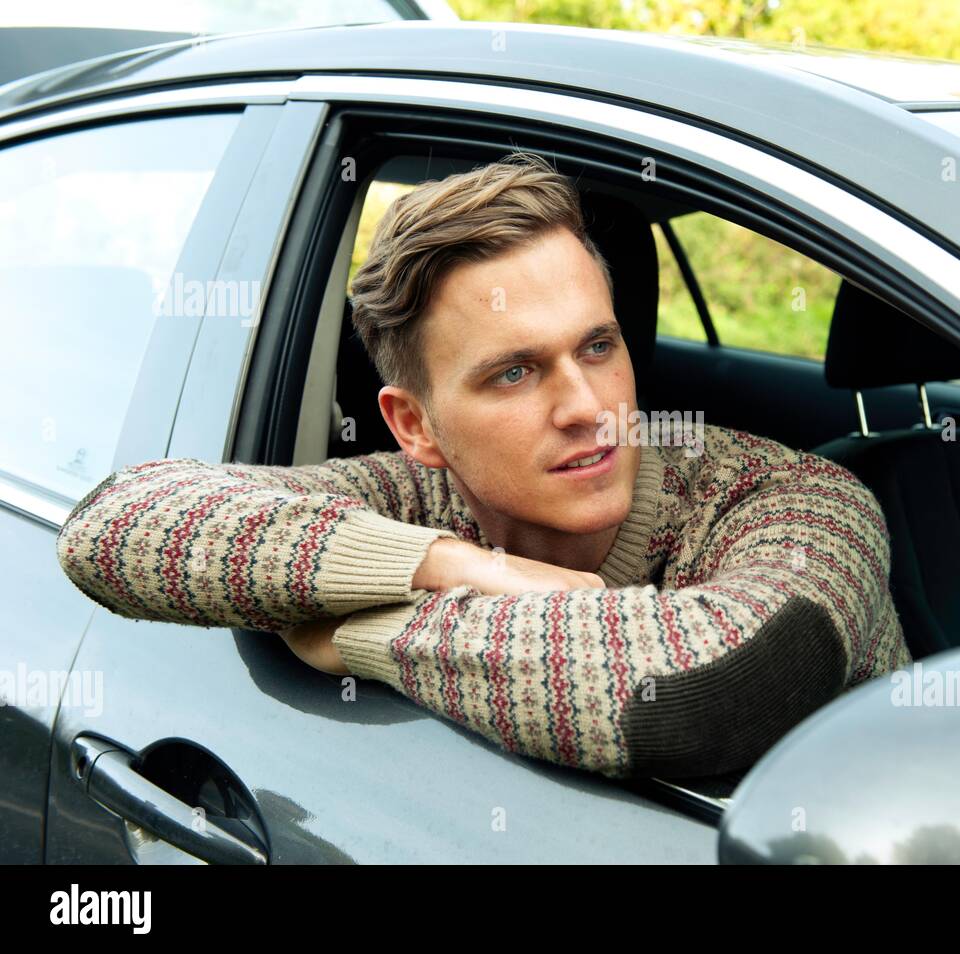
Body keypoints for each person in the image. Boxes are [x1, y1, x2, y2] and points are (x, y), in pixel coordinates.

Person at [56, 152, 909, 779]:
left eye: (598, 346)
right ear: (416, 426)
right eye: (515, 371)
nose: (586, 405)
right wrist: (456, 565)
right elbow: (114, 522)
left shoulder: (793, 499)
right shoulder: (417, 494)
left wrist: (356, 633)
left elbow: (724, 687)